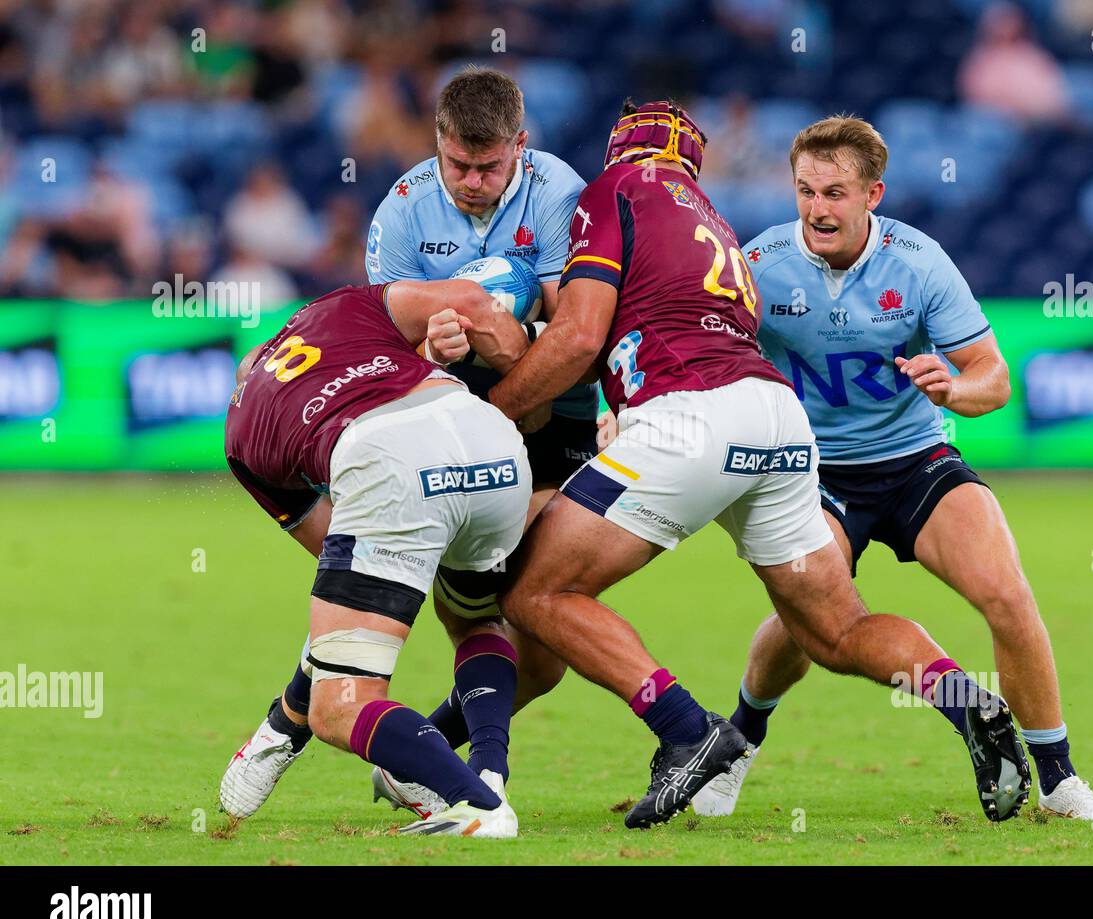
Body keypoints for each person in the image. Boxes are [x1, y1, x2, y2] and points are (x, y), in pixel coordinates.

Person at [487, 100, 1029, 828]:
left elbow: (583, 337)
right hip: (776, 422)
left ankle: (686, 728)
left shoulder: (614, 192)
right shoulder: (710, 222)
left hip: (689, 423)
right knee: (836, 631)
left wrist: (496, 413)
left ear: (620, 151)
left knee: (534, 592)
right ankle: (966, 698)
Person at [691, 115, 1093, 823]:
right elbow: (708, 356)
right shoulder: (759, 266)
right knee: (806, 624)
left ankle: (1059, 781)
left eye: (835, 192)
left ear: (873, 195)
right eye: (805, 190)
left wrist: (955, 388)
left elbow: (994, 379)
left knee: (1007, 595)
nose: (817, 208)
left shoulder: (919, 263)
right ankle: (739, 745)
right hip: (813, 472)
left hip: (915, 459)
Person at [222, 66, 586, 819]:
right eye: (458, 165)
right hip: (456, 416)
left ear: (522, 145)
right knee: (487, 615)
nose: (474, 180)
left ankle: (310, 722)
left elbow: (571, 326)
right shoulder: (400, 214)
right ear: (435, 145)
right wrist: (442, 346)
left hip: (543, 410)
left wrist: (494, 339)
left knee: (537, 649)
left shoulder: (558, 190)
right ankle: (481, 778)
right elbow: (395, 354)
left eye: (491, 166)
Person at [223, 279, 534, 836]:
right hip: (496, 447)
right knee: (476, 617)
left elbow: (340, 550)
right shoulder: (332, 309)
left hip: (390, 462)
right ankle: (489, 771)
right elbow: (463, 296)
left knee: (338, 708)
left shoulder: (243, 434)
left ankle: (479, 807)